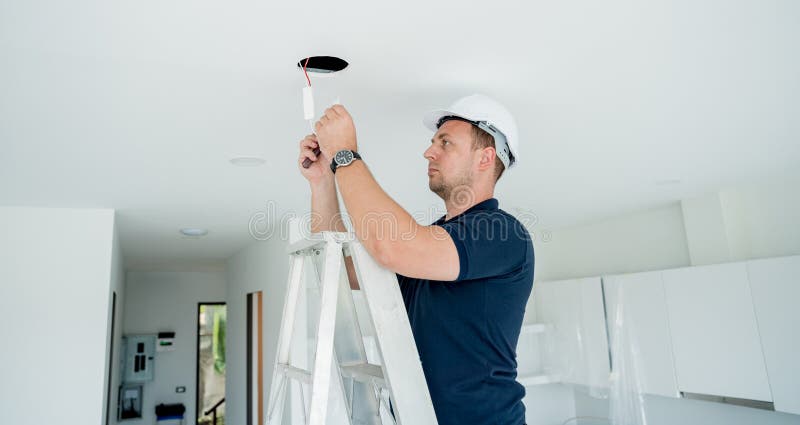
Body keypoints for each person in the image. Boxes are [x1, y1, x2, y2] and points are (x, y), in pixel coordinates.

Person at [297, 94, 534, 425]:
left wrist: (345, 155)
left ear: (485, 158)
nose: (429, 151)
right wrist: (324, 181)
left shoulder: (502, 233)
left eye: (445, 142)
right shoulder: (431, 246)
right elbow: (339, 273)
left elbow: (391, 245)